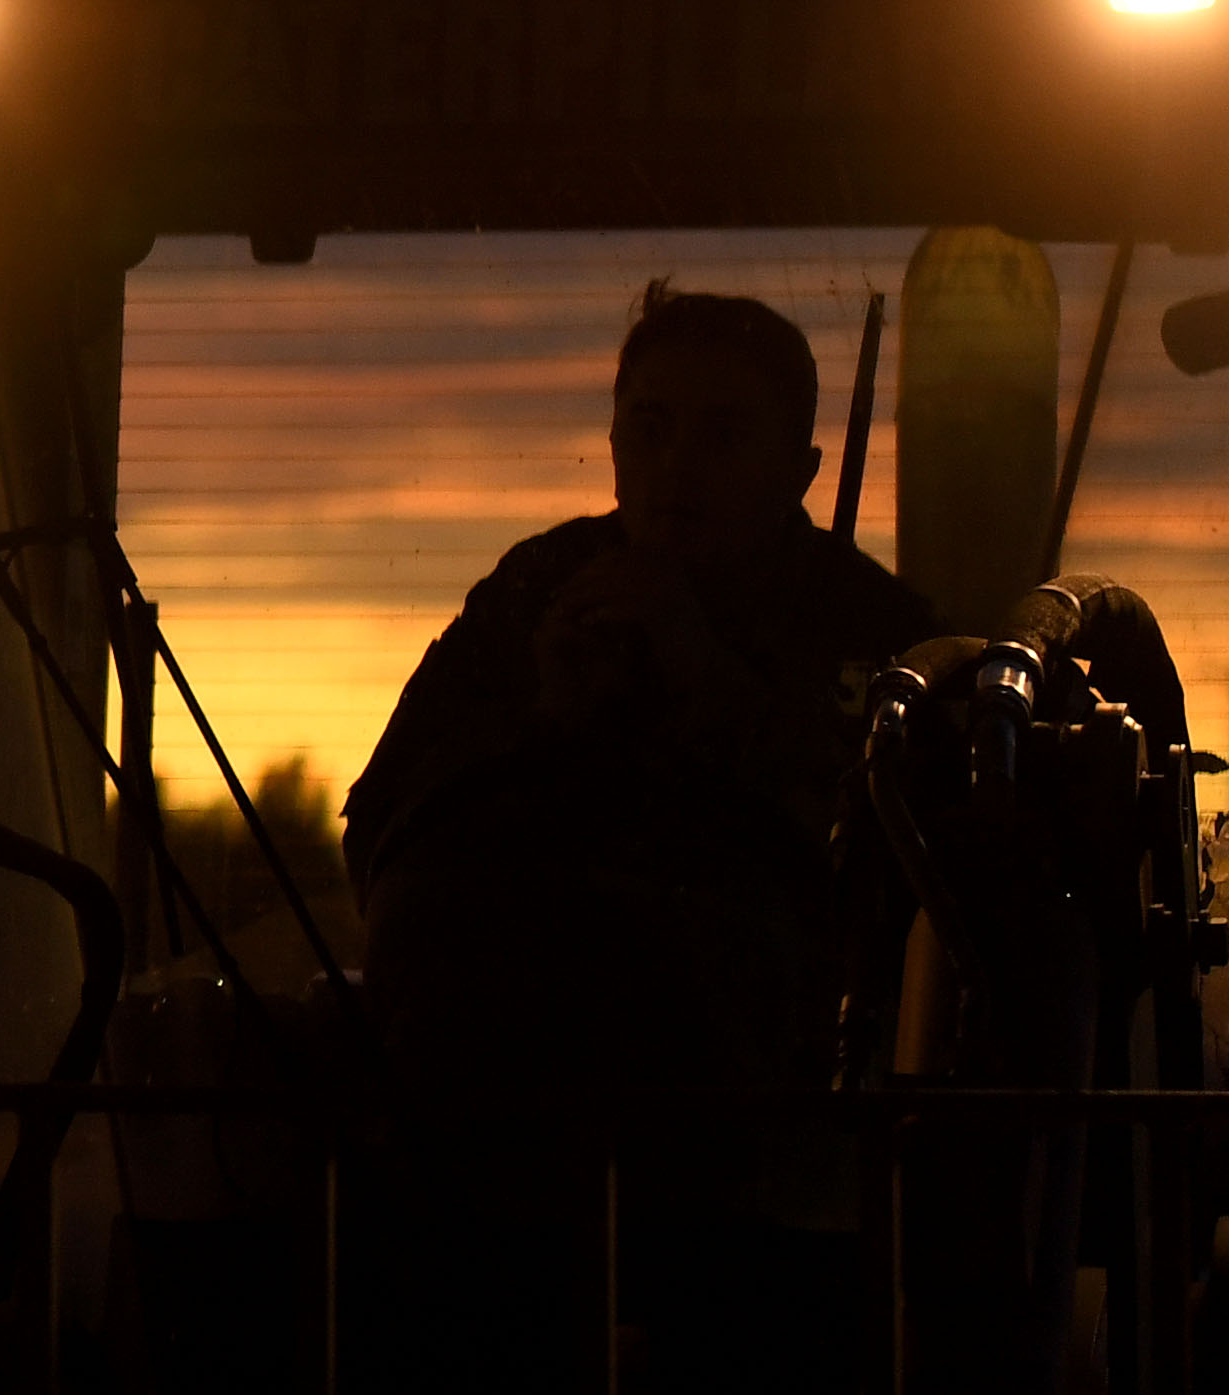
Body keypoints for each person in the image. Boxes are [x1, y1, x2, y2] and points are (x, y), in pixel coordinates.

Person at [343, 282, 936, 1092]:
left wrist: (715, 692)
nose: (676, 467)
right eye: (650, 430)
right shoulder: (536, 589)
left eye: (723, 437)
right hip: (493, 1090)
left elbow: (907, 899)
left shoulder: (875, 633)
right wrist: (544, 722)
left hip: (767, 1109)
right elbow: (379, 829)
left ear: (798, 472)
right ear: (614, 442)